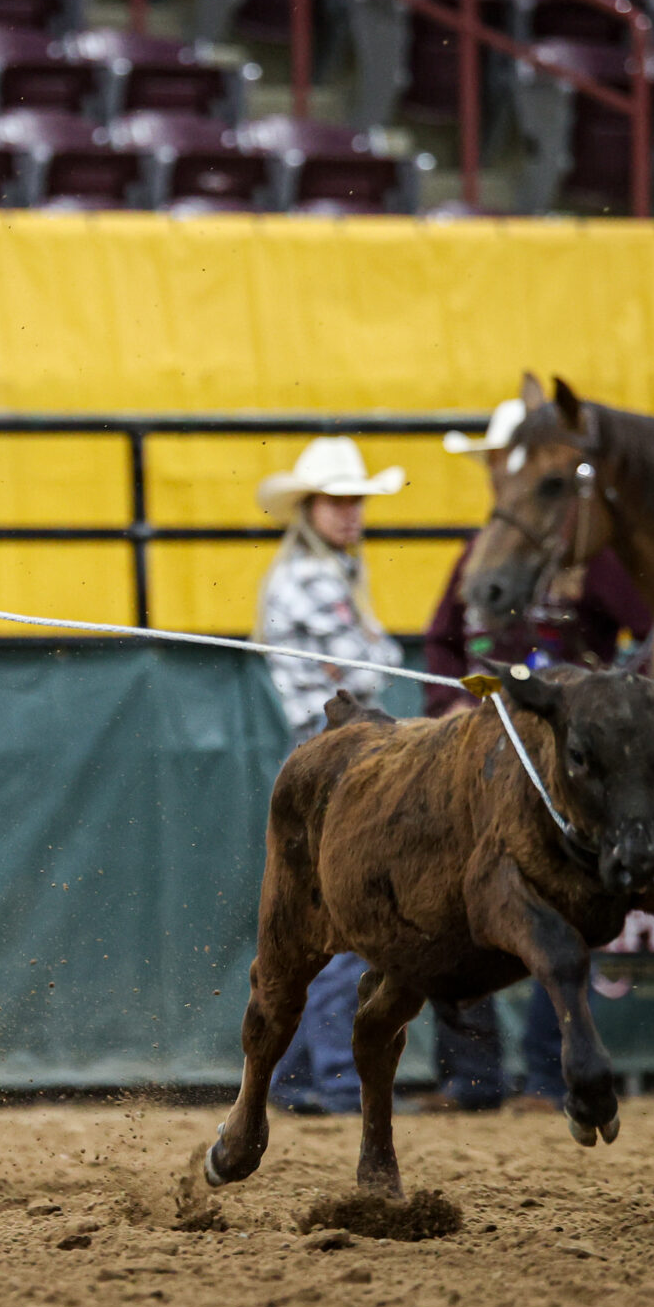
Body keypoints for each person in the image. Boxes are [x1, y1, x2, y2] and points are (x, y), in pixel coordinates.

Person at [418, 402, 654, 1111]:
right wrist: (448, 707)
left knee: (565, 908)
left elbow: (648, 637)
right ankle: (473, 1077)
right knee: (451, 902)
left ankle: (548, 1077)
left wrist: (602, 711)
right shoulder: (479, 552)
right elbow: (440, 643)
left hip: (560, 761)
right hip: (479, 752)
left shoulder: (596, 560)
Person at [252, 436, 406, 1114]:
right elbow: (369, 669)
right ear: (310, 507)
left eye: (356, 501)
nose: (350, 513)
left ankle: (299, 1075)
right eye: (338, 501)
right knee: (348, 917)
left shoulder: (318, 573)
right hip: (337, 763)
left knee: (309, 921)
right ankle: (338, 1075)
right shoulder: (316, 579)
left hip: (322, 761)